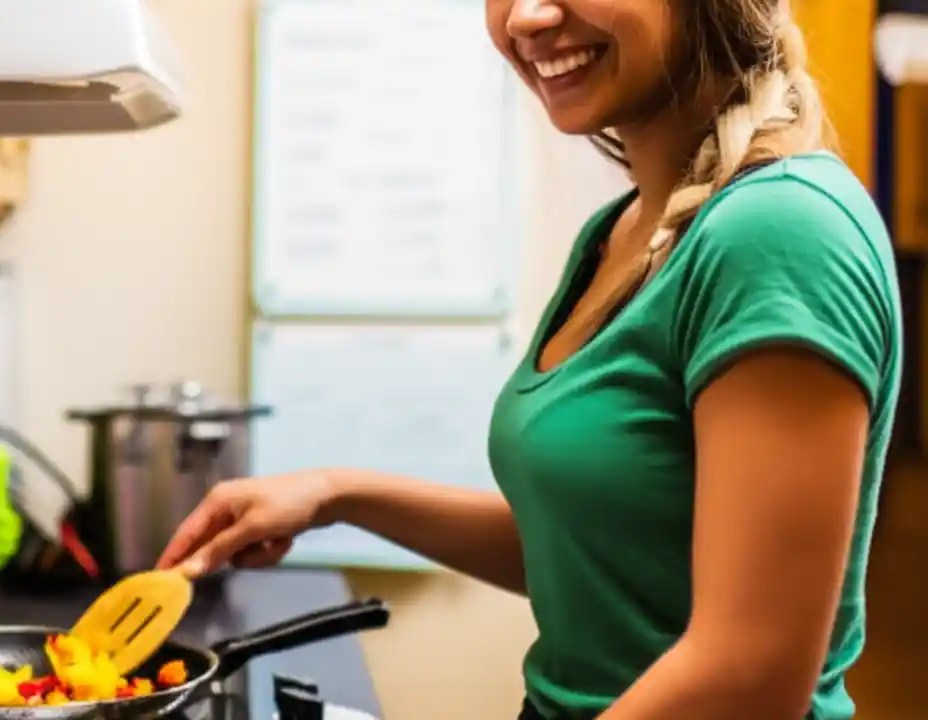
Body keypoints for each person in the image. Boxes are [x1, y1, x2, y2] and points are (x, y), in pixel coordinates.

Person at [158, 1, 903, 718]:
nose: (525, 17)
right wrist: (336, 494)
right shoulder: (624, 231)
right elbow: (597, 552)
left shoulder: (781, 228)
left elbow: (751, 676)